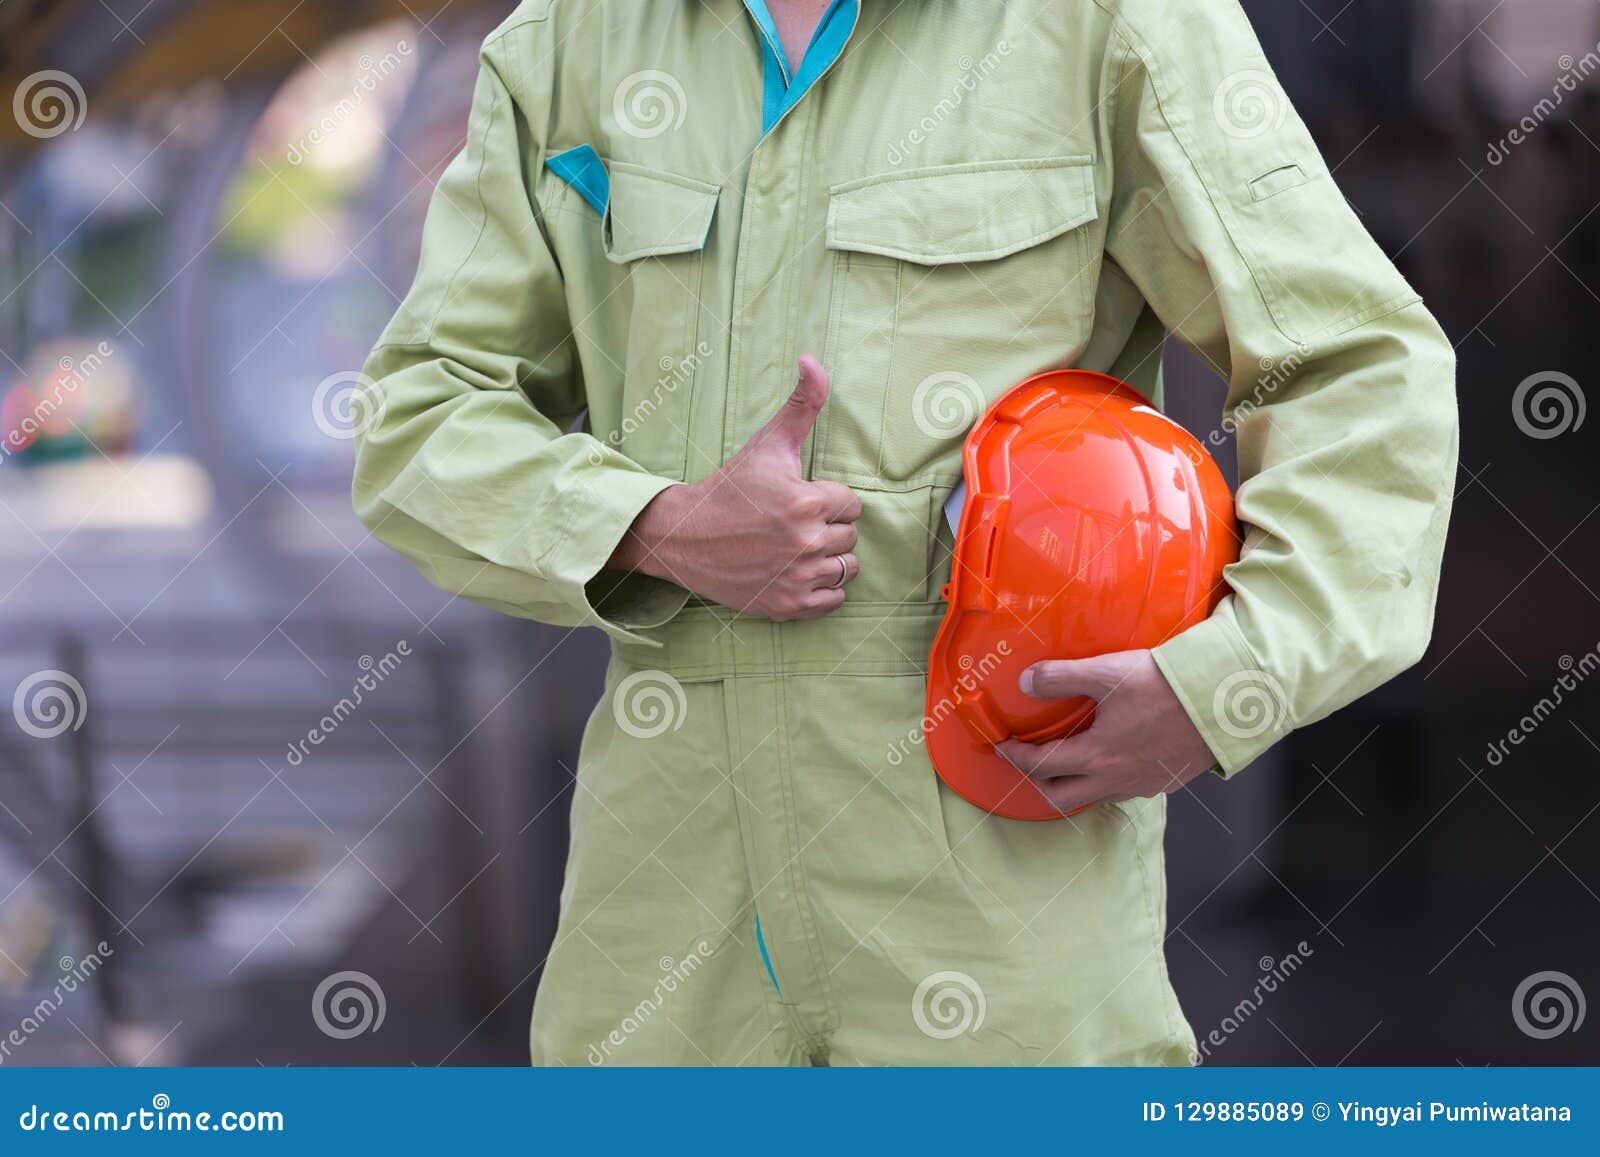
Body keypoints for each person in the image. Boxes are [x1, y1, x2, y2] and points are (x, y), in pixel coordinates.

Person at [352, 0, 1457, 1065]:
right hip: (662, 941)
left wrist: (1228, 675)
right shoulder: (571, 39)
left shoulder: (1109, 22)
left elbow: (1353, 366)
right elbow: (422, 416)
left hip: (1002, 917)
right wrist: (654, 526)